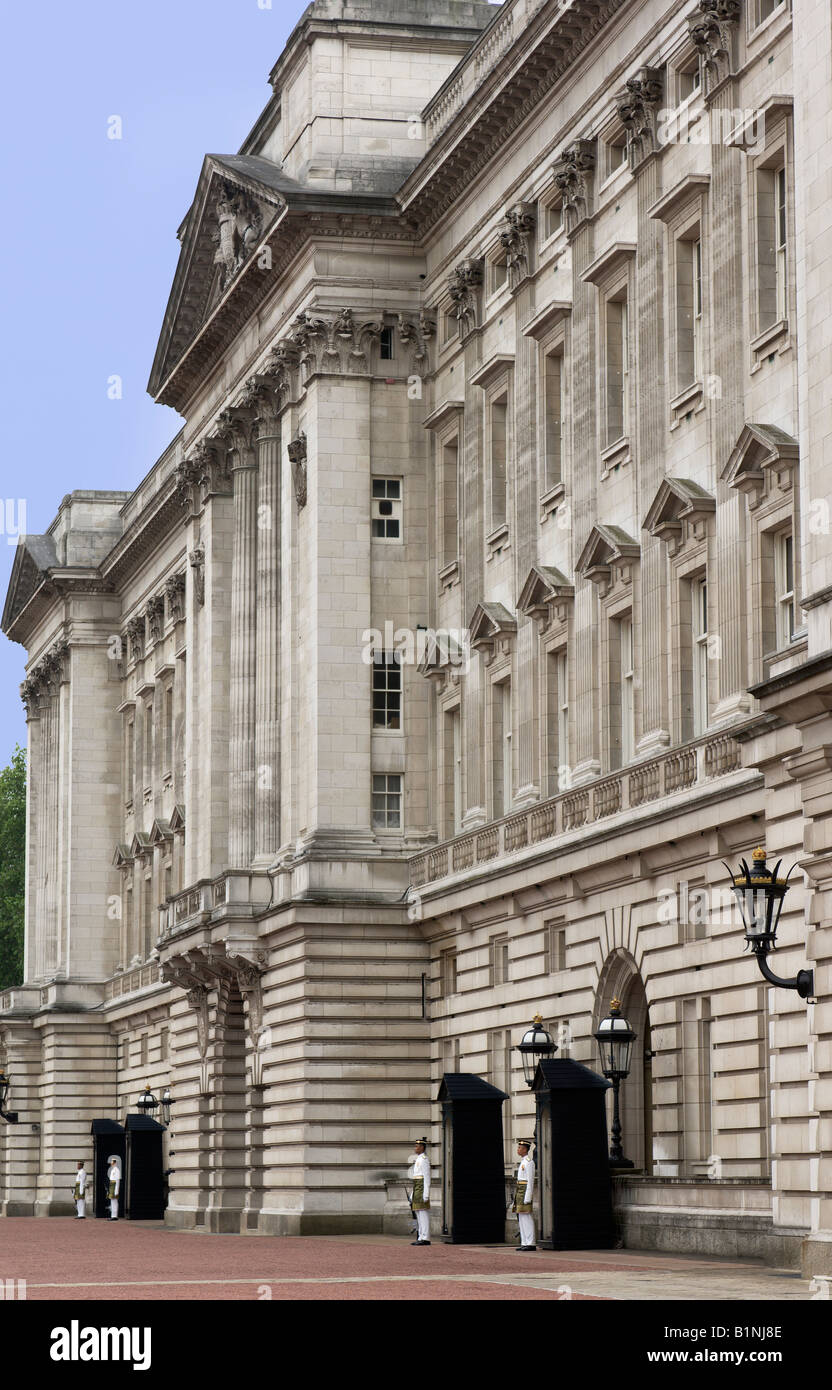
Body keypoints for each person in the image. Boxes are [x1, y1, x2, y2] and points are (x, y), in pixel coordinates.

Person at [513, 1139, 536, 1251]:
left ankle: (530, 1242)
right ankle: (524, 1241)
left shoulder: (529, 1162)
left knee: (526, 1217)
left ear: (526, 1149)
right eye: (518, 1147)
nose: (518, 1149)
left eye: (520, 1148)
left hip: (525, 1191)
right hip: (520, 1190)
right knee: (521, 1217)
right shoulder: (523, 1161)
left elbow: (530, 1181)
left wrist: (528, 1195)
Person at [408, 1137, 431, 1246]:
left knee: (423, 1214)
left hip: (422, 1189)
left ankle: (425, 1237)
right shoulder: (418, 1159)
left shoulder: (424, 1159)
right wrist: (413, 1193)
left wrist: (426, 1194)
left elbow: (426, 1178)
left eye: (417, 1146)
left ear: (422, 1147)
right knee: (418, 1213)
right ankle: (421, 1236)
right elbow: (416, 1179)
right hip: (417, 1188)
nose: (415, 1148)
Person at [107, 1155, 122, 1221]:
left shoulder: (117, 1170)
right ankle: (113, 1215)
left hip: (114, 1186)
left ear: (115, 1162)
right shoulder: (113, 1170)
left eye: (112, 1162)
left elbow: (117, 1181)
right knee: (112, 1201)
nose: (111, 1163)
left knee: (114, 1201)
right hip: (112, 1185)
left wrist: (116, 1190)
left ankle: (115, 1215)